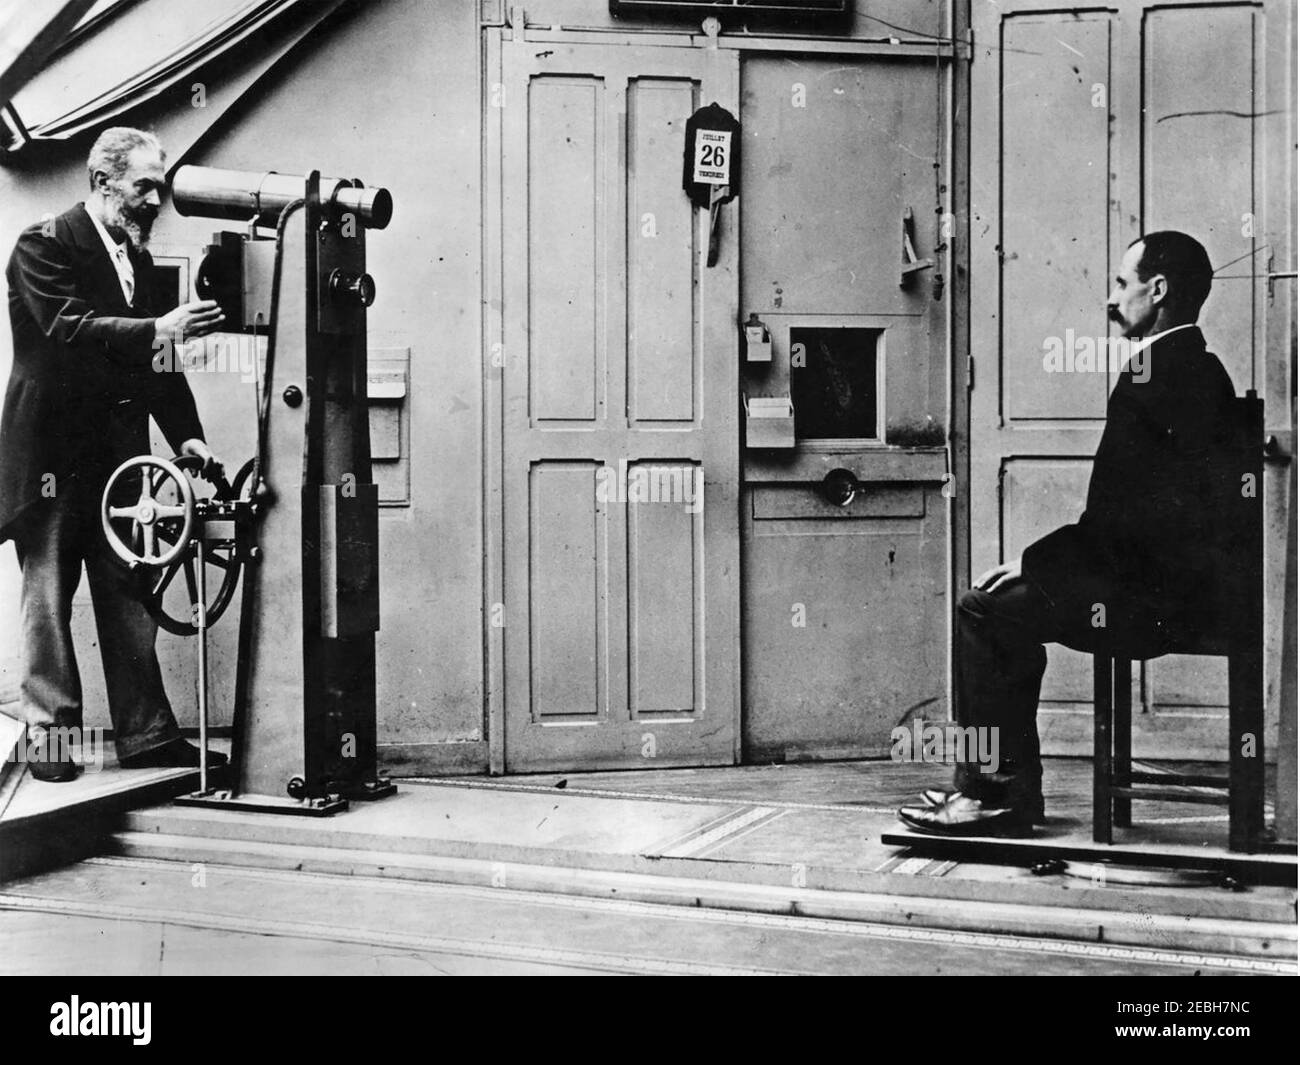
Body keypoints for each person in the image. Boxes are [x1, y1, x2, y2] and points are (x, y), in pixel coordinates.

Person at [900, 230, 1236, 836]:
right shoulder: (1204, 370)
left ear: (1158, 291)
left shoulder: (1153, 377)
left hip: (1153, 601)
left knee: (984, 611)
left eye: (1121, 284)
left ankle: (996, 796)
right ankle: (1001, 792)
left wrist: (1034, 565)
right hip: (1189, 594)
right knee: (1004, 609)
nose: (1111, 301)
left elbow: (1121, 526)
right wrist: (1044, 566)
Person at [0, 126, 229, 781]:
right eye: (144, 186)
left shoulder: (142, 263)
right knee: (46, 600)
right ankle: (47, 742)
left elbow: (157, 363)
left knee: (129, 593)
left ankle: (148, 735)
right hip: (49, 458)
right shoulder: (41, 245)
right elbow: (64, 330)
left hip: (120, 460)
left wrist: (187, 437)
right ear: (103, 184)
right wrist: (157, 327)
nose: (157, 199)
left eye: (161, 186)